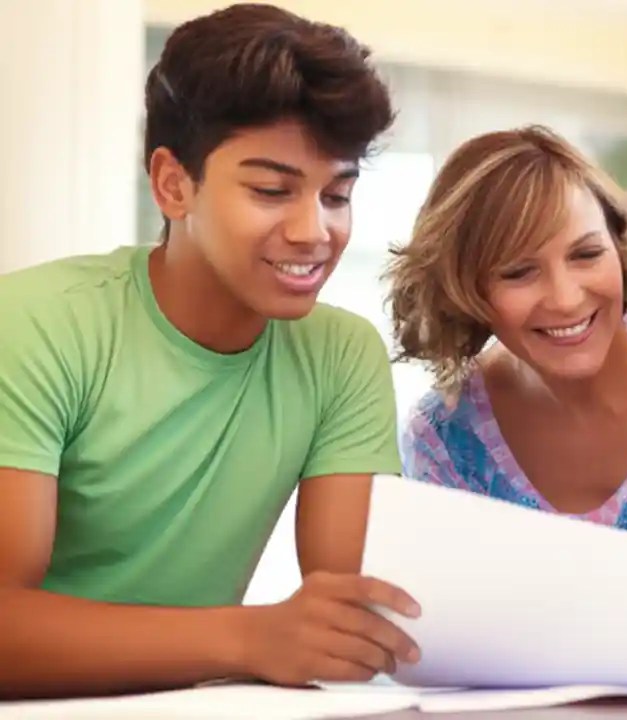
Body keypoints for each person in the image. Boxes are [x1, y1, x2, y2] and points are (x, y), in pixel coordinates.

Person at [0, 4, 422, 698]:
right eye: (271, 190)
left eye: (337, 194)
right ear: (172, 184)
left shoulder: (341, 356)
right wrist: (246, 636)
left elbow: (353, 616)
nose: (314, 231)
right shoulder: (37, 326)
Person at [388, 126, 627, 529]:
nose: (565, 299)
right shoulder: (443, 443)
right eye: (519, 272)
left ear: (617, 244)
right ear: (463, 290)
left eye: (587, 254)